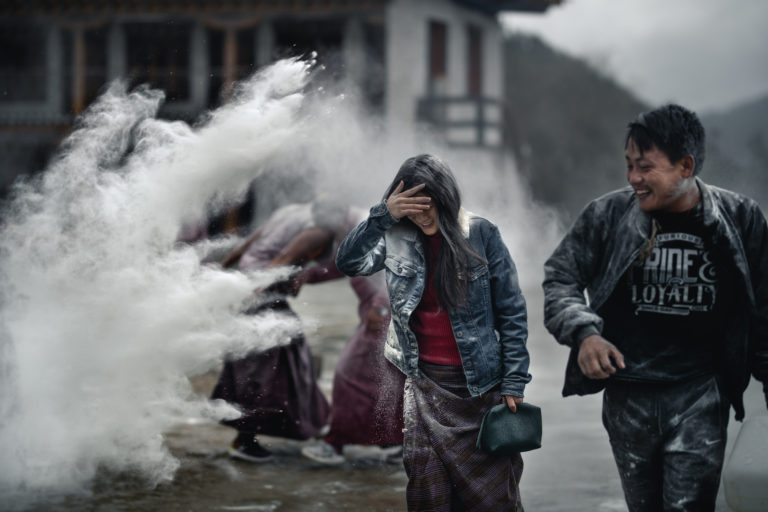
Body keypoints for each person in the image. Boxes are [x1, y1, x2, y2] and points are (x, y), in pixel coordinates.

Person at [542, 104, 768, 511]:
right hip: (628, 395)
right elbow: (561, 278)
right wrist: (585, 334)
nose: (633, 178)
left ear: (686, 166)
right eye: (629, 165)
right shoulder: (607, 215)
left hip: (700, 392)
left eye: (645, 167)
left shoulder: (740, 219)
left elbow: (765, 311)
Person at [336, 154, 531, 510]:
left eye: (429, 204)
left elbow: (512, 311)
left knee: (491, 498)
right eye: (413, 206)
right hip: (423, 386)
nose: (423, 214)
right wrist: (383, 216)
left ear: (446, 197)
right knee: (428, 493)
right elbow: (349, 262)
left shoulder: (481, 233)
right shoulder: (394, 235)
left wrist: (514, 381)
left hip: (480, 388)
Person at [211, 200, 348, 463]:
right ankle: (245, 440)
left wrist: (222, 271)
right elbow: (282, 260)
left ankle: (312, 422)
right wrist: (252, 294)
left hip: (254, 287)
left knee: (283, 356)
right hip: (260, 292)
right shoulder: (318, 231)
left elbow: (247, 245)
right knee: (262, 366)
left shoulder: (288, 211)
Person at [299, 269, 406, 465]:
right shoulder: (356, 252)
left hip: (384, 319)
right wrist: (304, 276)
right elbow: (337, 265)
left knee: (349, 378)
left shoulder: (383, 250)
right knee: (383, 382)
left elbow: (395, 272)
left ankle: (335, 443)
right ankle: (393, 440)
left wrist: (381, 306)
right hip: (378, 319)